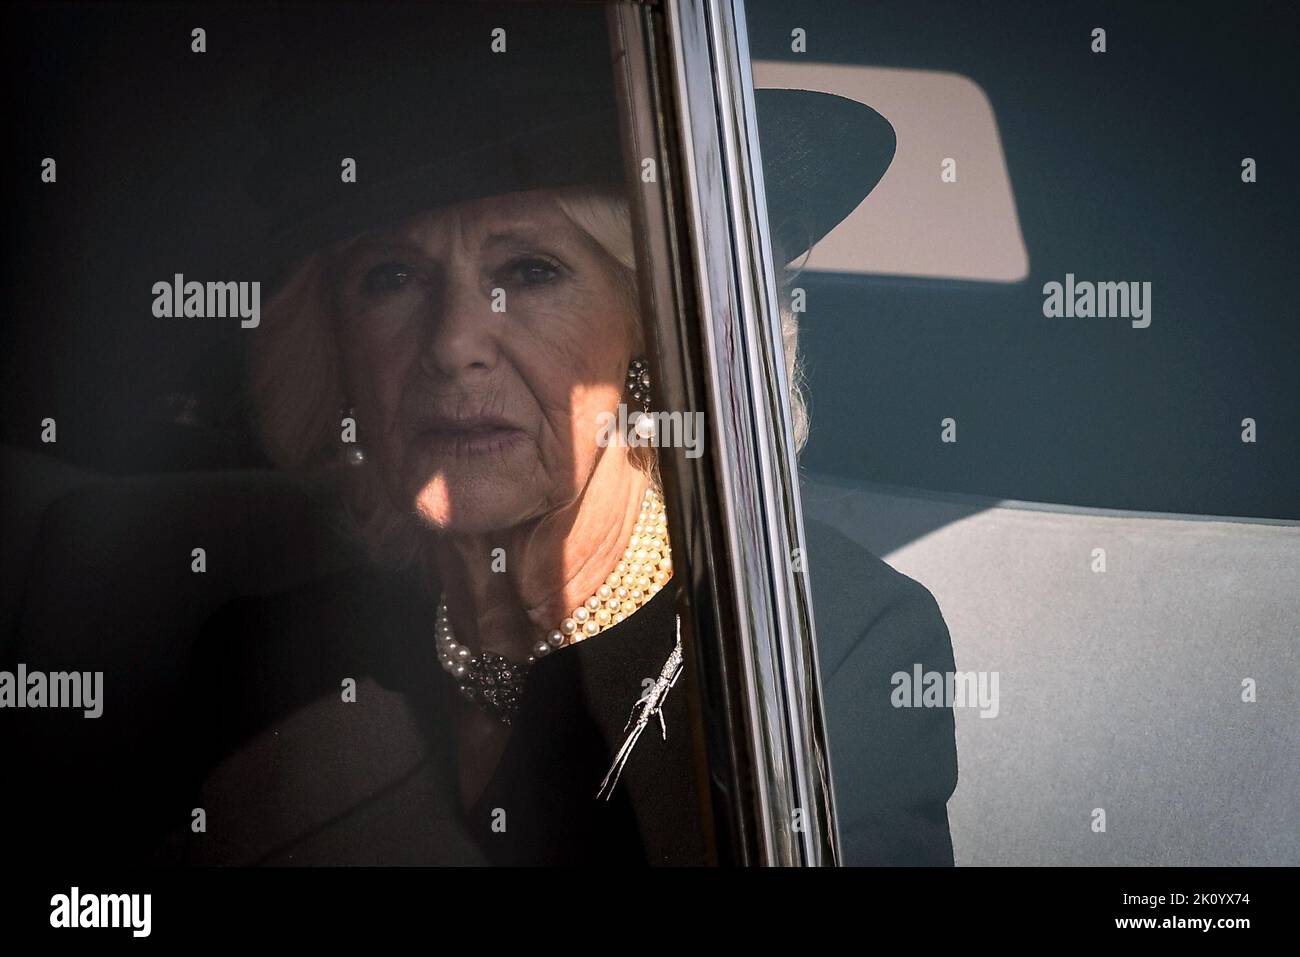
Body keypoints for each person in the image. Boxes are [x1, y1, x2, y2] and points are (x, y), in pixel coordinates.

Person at [164, 1, 957, 866]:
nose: (453, 343)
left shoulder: (823, 650)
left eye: (529, 270)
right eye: (391, 275)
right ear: (337, 350)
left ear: (654, 329)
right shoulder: (266, 661)